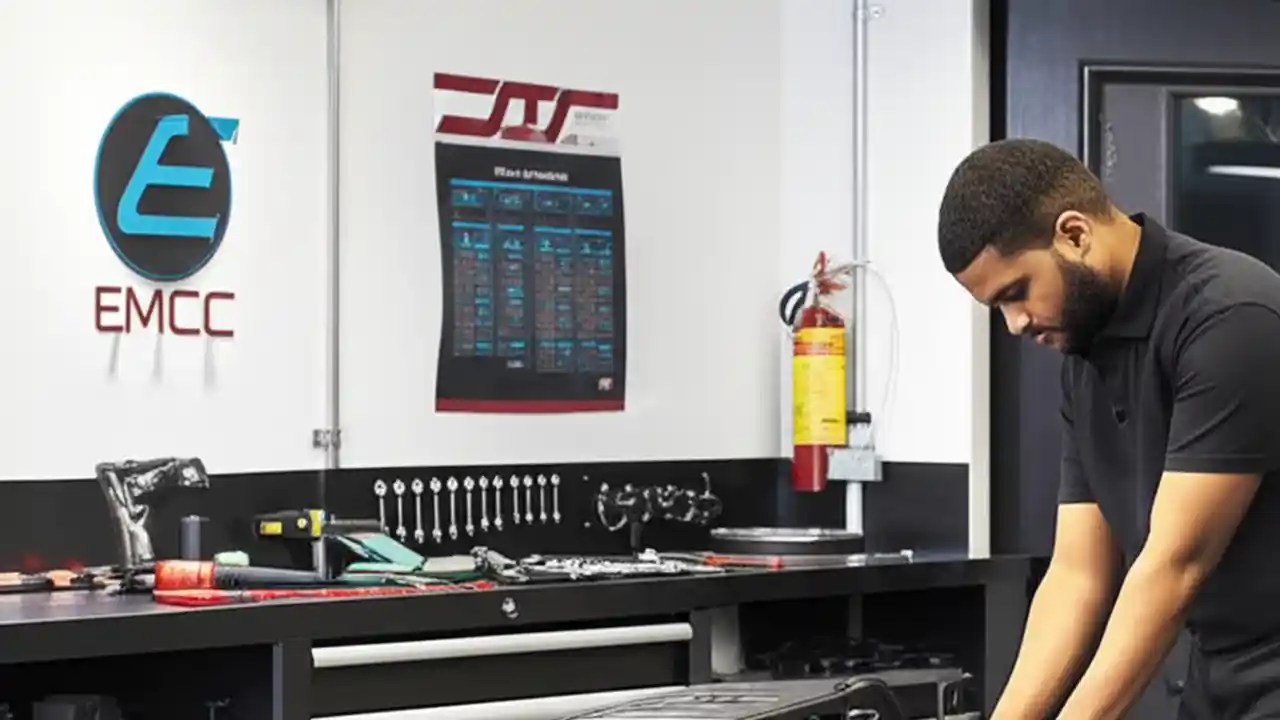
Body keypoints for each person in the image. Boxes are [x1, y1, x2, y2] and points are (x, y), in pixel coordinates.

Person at [936, 138, 1280, 719]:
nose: (1014, 324)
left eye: (1016, 293)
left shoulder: (1230, 316)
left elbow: (1175, 567)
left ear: (1074, 234)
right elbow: (1078, 574)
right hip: (1220, 671)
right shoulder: (1086, 358)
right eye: (997, 308)